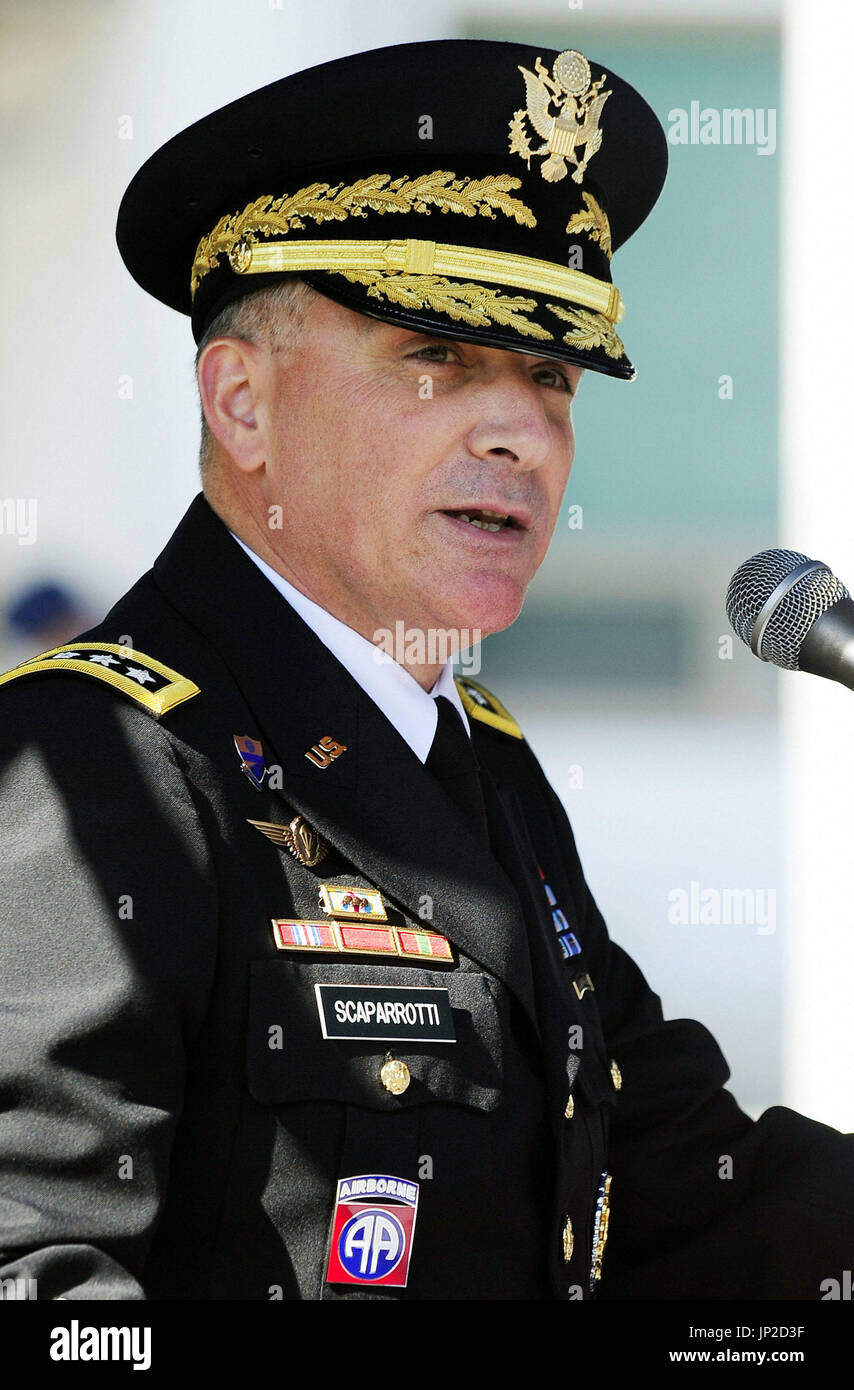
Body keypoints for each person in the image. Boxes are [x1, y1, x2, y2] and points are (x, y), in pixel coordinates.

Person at [0, 37, 851, 1303]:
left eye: (550, 376)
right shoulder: (100, 764)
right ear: (241, 404)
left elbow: (680, 1184)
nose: (519, 430)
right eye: (435, 360)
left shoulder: (469, 754)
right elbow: (40, 1272)